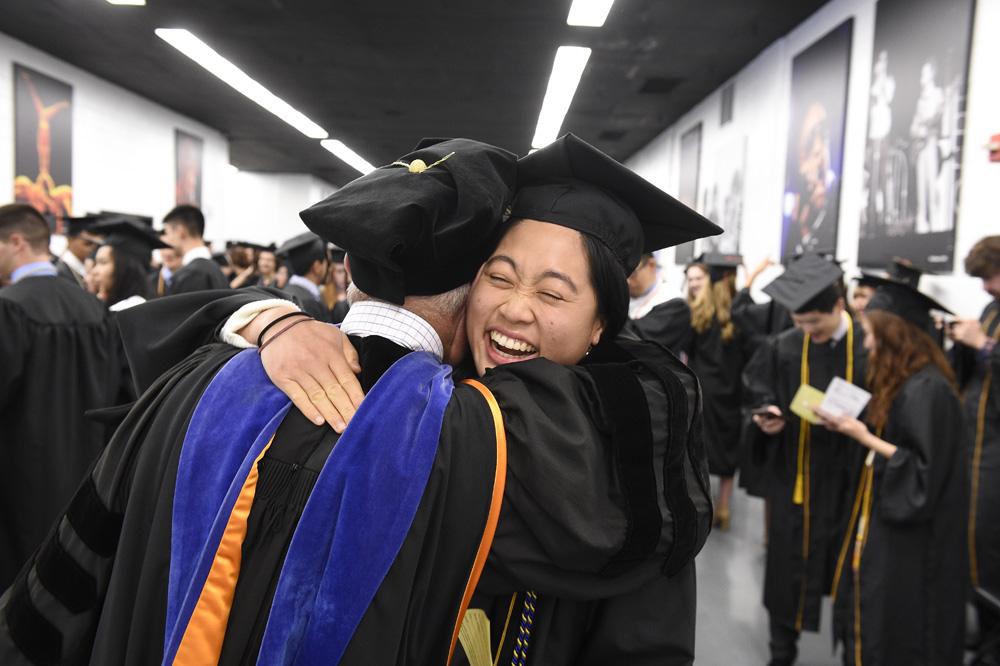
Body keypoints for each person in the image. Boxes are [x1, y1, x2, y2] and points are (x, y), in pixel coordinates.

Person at [0, 136, 719, 665]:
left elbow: (56, 597)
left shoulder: (193, 383)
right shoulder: (479, 445)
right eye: (503, 277)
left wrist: (255, 313)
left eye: (553, 291)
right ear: (472, 286)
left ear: (346, 263)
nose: (516, 308)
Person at [817, 276, 967, 665]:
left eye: (870, 335)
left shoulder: (928, 390)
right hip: (889, 529)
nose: (867, 345)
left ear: (895, 337)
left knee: (899, 624)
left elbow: (922, 473)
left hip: (917, 545)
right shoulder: (909, 383)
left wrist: (862, 435)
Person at [744, 253, 868, 666]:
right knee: (785, 573)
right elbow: (758, 386)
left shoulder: (869, 348)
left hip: (850, 483)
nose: (808, 332)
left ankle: (855, 652)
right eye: (800, 324)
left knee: (855, 577)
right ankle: (781, 655)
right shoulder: (785, 345)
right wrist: (767, 415)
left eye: (816, 322)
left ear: (839, 306)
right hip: (794, 477)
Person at [0, 203, 118, 591]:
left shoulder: (11, 308)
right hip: (87, 480)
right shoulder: (94, 309)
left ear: (16, 242)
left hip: (20, 485)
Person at [950, 235, 1000, 664]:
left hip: (999, 452)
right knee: (972, 540)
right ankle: (984, 628)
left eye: (991, 276)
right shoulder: (991, 310)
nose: (987, 286)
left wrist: (983, 345)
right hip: (977, 444)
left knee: (989, 542)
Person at [684, 253, 751, 529]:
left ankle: (702, 503)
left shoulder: (700, 312)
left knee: (701, 445)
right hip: (732, 390)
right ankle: (723, 506)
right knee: (727, 447)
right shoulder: (742, 313)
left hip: (704, 386)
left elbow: (688, 348)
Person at [89, 217, 171, 403]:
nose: (94, 271)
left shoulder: (128, 318)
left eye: (102, 262)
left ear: (125, 268)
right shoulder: (147, 312)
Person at [624, 252, 690, 355]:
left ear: (651, 265)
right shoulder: (625, 296)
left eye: (633, 273)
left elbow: (636, 340)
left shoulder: (674, 305)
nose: (627, 281)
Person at [161, 204, 229, 294]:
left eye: (167, 233)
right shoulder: (217, 270)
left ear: (180, 232)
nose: (167, 239)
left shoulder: (189, 276)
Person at [277, 231, 332, 322]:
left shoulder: (287, 292)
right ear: (317, 267)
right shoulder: (307, 302)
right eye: (328, 263)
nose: (330, 269)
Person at [54, 215, 101, 288]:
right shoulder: (59, 271)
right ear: (70, 239)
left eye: (97, 245)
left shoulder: (88, 270)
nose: (93, 249)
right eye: (88, 243)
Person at [322, 245, 351, 324]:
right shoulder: (322, 295)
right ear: (332, 272)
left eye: (345, 271)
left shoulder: (353, 295)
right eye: (339, 271)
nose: (344, 276)